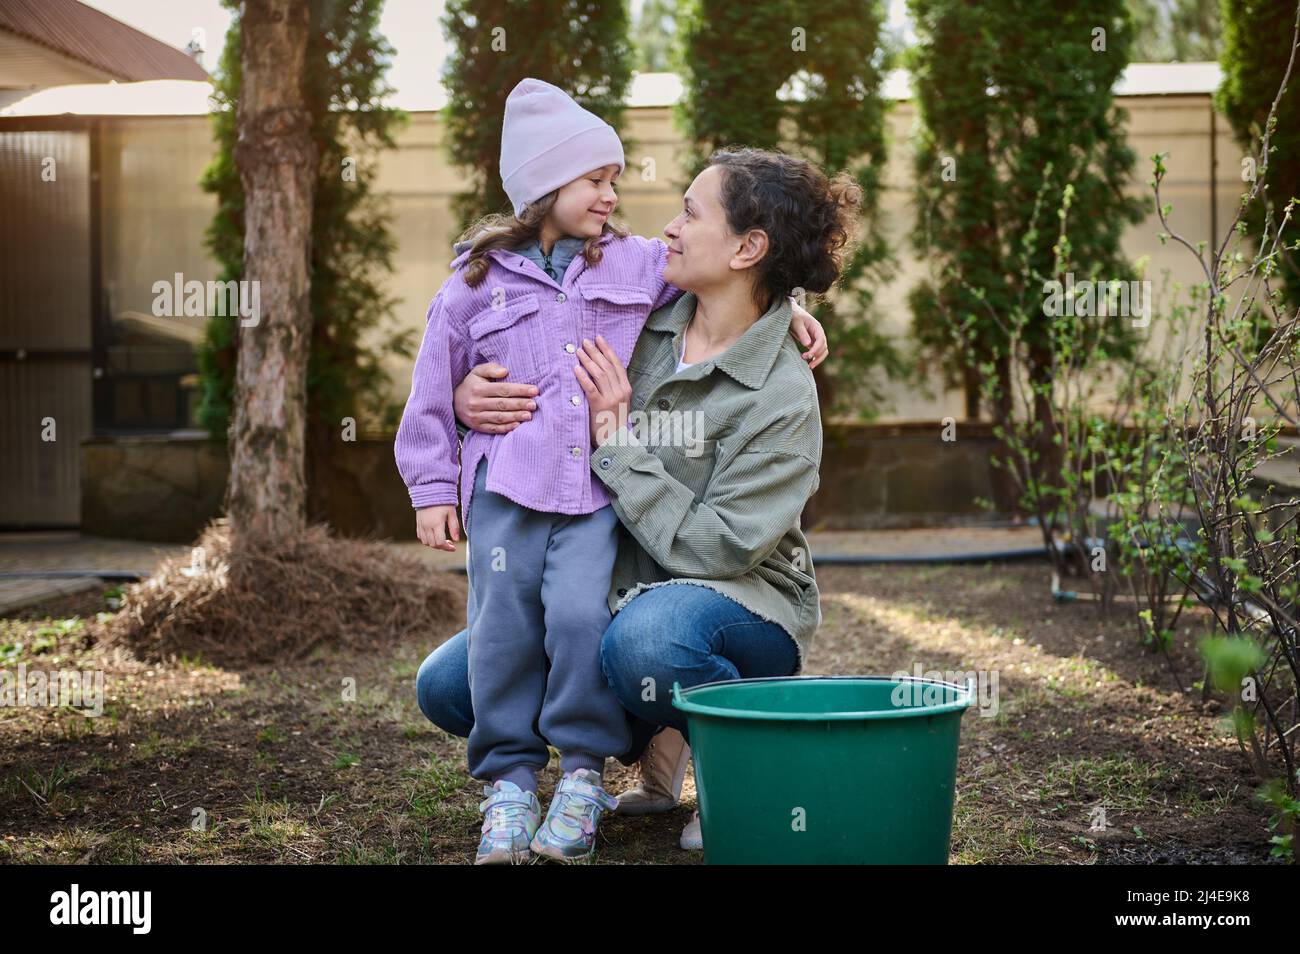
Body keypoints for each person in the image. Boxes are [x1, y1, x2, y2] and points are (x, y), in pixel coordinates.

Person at [395, 79, 826, 865]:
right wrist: (463, 404)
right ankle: (531, 779)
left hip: (734, 597)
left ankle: (746, 764)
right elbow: (483, 356)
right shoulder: (648, 307)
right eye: (598, 179)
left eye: (690, 212)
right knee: (455, 680)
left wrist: (785, 307)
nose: (658, 219)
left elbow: (718, 548)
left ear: (745, 249)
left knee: (642, 637)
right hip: (584, 555)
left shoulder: (776, 387)